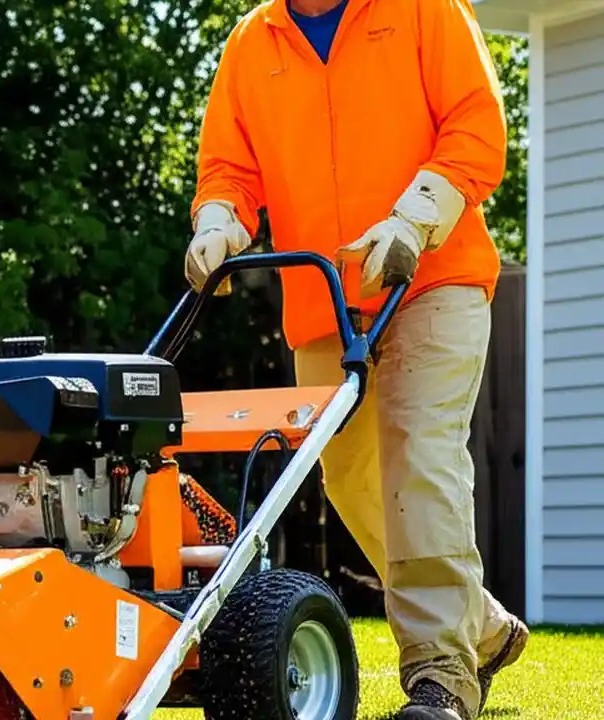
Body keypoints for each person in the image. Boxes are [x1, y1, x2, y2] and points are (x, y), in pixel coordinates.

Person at [183, 0, 529, 717]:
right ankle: (483, 625)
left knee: (419, 459)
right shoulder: (254, 40)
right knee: (354, 484)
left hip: (433, 276)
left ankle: (441, 676)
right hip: (326, 303)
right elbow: (228, 167)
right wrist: (219, 219)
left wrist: (414, 218)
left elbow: (476, 125)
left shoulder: (422, 10)